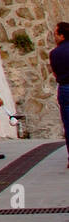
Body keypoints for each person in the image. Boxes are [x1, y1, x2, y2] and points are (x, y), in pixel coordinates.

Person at [48, 22, 69, 167]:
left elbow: (55, 73)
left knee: (68, 124)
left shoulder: (55, 53)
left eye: (55, 34)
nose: (54, 36)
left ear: (62, 36)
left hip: (65, 88)